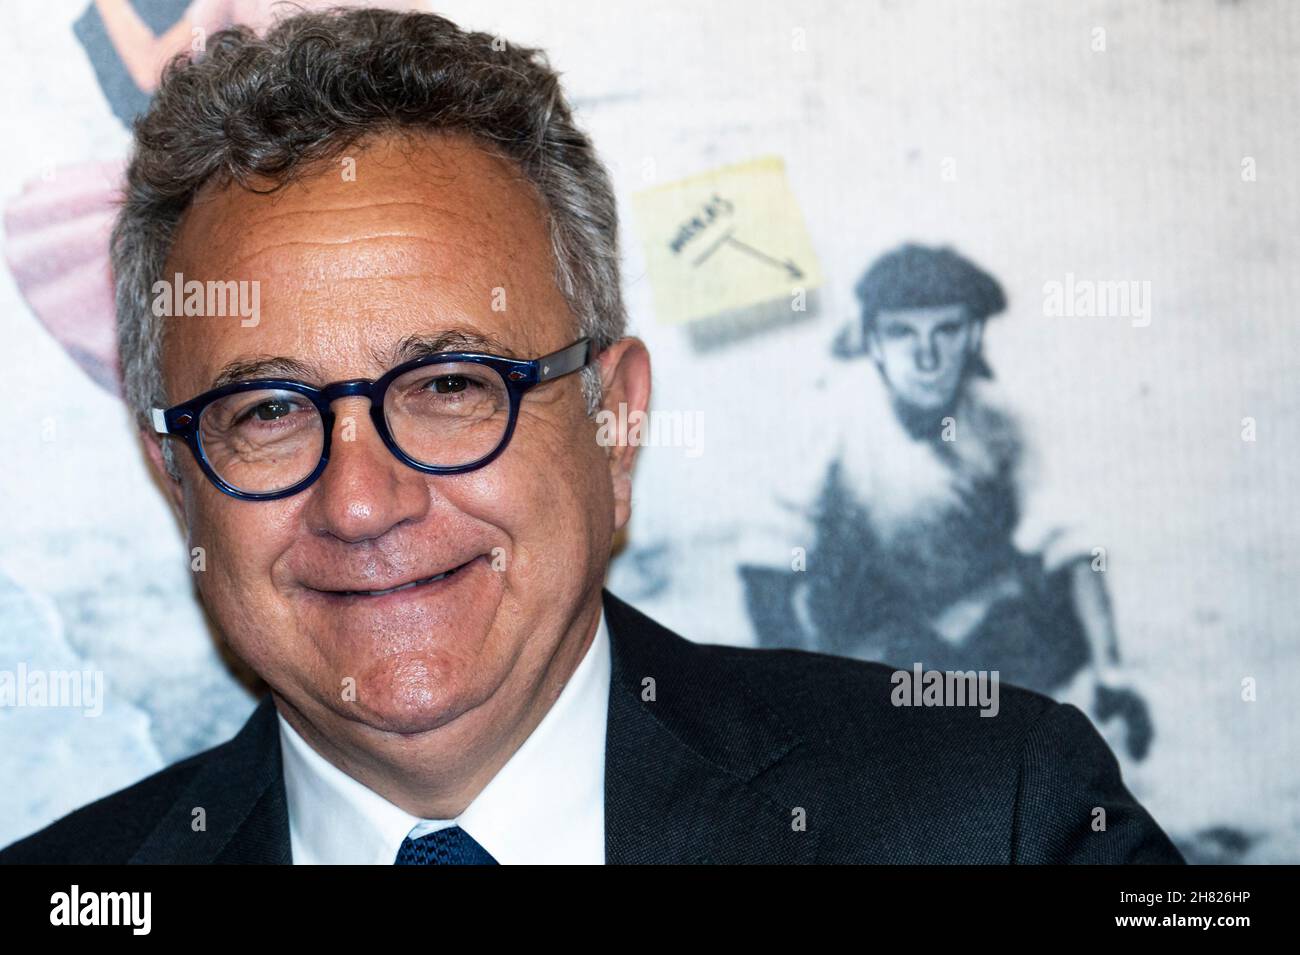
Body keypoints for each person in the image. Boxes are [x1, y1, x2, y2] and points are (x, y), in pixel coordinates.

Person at [0, 9, 1182, 864]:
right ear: (175, 477)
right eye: (265, 412)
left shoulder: (998, 818)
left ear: (615, 422)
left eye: (452, 385)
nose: (361, 503)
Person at [740, 244, 1154, 759]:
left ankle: (990, 755)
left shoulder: (1002, 423)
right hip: (865, 642)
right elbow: (766, 564)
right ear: (872, 341)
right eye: (902, 333)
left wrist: (1111, 670)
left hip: (967, 631)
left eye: (947, 331)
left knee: (1047, 615)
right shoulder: (832, 418)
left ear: (974, 336)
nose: (927, 357)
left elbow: (1071, 545)